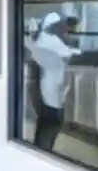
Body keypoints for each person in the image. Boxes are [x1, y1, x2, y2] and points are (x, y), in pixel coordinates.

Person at [29, 12, 81, 152]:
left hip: (48, 90)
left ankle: (41, 149)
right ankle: (43, 151)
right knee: (51, 122)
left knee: (46, 122)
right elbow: (69, 54)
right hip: (50, 91)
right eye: (62, 26)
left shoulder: (43, 39)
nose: (65, 29)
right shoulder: (50, 40)